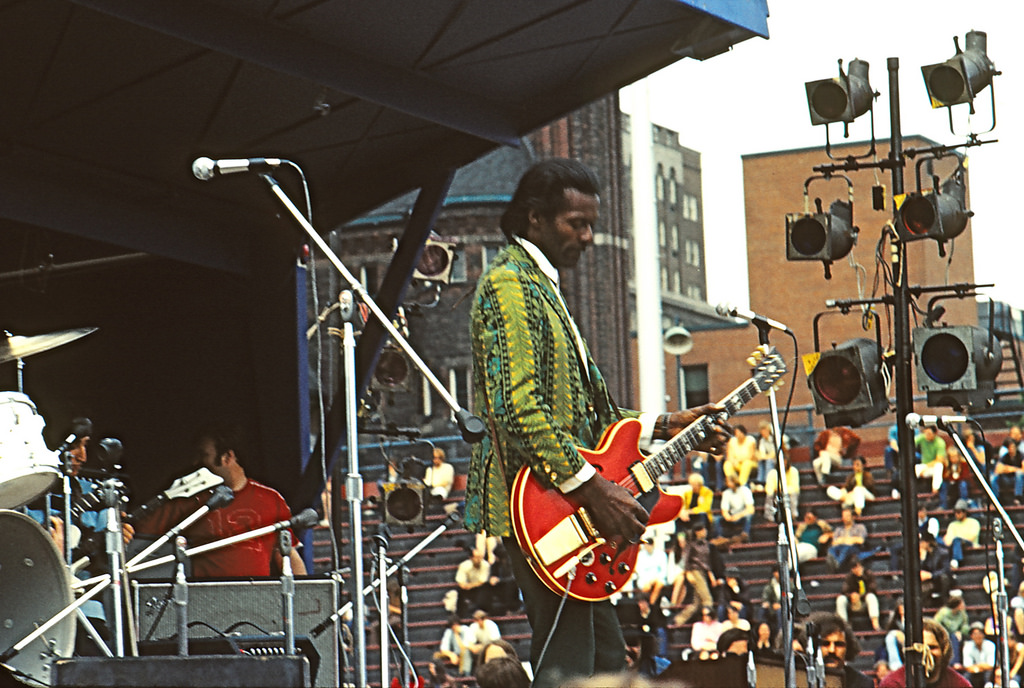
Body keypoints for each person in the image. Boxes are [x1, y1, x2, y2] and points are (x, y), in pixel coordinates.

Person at [465, 158, 725, 688]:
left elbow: (589, 415)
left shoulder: (542, 286)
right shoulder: (509, 285)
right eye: (576, 223)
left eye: (592, 225)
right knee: (569, 665)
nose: (588, 237)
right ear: (535, 218)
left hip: (561, 504)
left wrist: (667, 424)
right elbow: (517, 408)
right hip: (543, 505)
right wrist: (593, 490)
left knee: (604, 658)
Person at [133, 423, 306, 578]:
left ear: (227, 457)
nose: (195, 462)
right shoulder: (189, 498)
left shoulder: (270, 499)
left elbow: (287, 554)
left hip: (257, 596)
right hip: (205, 596)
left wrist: (304, 596)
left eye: (203, 455)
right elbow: (136, 533)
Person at [878, 618, 971, 687]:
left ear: (944, 650)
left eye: (932, 647)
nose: (926, 653)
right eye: (920, 647)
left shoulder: (959, 684)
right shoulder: (892, 684)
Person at [675, 514, 724, 625]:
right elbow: (686, 559)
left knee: (696, 603)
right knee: (707, 599)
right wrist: (688, 573)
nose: (705, 532)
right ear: (697, 532)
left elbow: (707, 562)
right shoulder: (691, 544)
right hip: (695, 571)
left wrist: (711, 575)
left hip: (704, 572)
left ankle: (679, 619)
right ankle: (711, 620)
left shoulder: (706, 544)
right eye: (702, 530)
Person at [804, 611, 873, 688]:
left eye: (839, 644)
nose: (832, 650)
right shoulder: (802, 678)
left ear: (848, 648)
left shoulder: (862, 683)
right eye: (825, 644)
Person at [836, 559, 881, 630]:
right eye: (855, 568)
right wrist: (851, 595)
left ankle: (875, 624)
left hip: (864, 602)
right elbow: (844, 591)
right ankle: (844, 626)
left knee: (871, 597)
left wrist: (860, 596)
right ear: (852, 569)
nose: (857, 569)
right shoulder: (849, 577)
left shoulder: (869, 575)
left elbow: (873, 589)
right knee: (840, 599)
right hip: (852, 603)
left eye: (859, 567)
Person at [827, 505, 871, 572]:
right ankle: (833, 565)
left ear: (853, 517)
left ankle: (838, 563)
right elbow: (834, 543)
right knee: (831, 550)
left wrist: (842, 540)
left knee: (846, 548)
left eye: (847, 516)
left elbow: (860, 540)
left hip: (855, 548)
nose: (845, 518)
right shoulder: (838, 529)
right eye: (843, 516)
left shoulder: (860, 527)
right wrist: (850, 540)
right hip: (840, 548)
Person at [716, 473, 754, 542]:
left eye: (730, 481)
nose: (728, 484)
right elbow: (724, 509)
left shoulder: (745, 490)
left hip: (742, 514)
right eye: (727, 482)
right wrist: (727, 516)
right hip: (732, 515)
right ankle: (720, 537)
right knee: (717, 519)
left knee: (748, 516)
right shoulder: (726, 493)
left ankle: (745, 535)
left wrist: (738, 516)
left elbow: (750, 509)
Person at [943, 499, 981, 569]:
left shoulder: (974, 522)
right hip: (955, 546)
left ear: (964, 512)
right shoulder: (952, 525)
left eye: (958, 512)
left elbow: (971, 538)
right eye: (955, 512)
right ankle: (955, 560)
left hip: (970, 546)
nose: (956, 514)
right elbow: (947, 541)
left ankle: (955, 560)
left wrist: (956, 537)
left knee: (957, 540)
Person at [454, 548, 492, 616]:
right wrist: (466, 586)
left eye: (480, 557)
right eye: (476, 557)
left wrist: (469, 585)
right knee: (459, 593)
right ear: (471, 558)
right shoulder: (464, 565)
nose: (479, 560)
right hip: (467, 588)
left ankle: (483, 613)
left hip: (480, 588)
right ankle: (460, 615)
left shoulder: (485, 565)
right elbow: (460, 582)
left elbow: (482, 581)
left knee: (485, 591)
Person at [632, 538, 668, 604]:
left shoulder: (661, 554)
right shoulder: (640, 555)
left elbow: (663, 571)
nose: (647, 547)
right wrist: (648, 582)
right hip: (644, 580)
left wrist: (653, 580)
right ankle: (650, 604)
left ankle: (652, 603)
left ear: (653, 545)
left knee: (659, 584)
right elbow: (639, 571)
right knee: (646, 588)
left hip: (657, 579)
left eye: (649, 545)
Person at [916, 424, 948, 496]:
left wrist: (925, 468)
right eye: (925, 433)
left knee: (939, 466)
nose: (927, 436)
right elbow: (912, 442)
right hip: (924, 465)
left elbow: (939, 460)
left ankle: (935, 489)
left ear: (935, 433)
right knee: (913, 469)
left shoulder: (940, 442)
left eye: (929, 434)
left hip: (933, 467)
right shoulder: (922, 438)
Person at [991, 436, 1024, 504]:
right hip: (1006, 479)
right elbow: (997, 470)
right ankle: (996, 498)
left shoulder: (1021, 455)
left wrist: (1010, 468)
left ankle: (1018, 497)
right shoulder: (1004, 457)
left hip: (1017, 480)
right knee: (993, 477)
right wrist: (1008, 469)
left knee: (1018, 474)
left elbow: (1023, 470)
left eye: (1013, 447)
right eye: (1010, 447)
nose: (1011, 449)